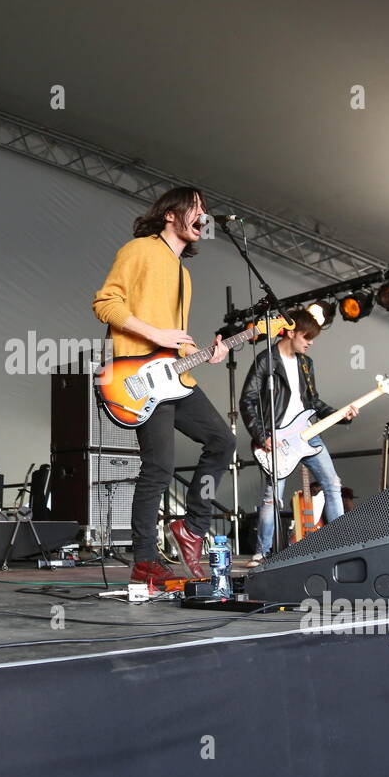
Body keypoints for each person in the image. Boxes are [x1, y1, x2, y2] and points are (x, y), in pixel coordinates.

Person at [93, 187, 235, 584]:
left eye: (206, 210)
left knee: (223, 441)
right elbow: (106, 303)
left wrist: (207, 351)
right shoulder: (139, 250)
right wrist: (154, 334)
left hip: (176, 377)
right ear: (171, 213)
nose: (202, 216)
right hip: (139, 378)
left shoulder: (184, 274)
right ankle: (144, 561)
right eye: (196, 208)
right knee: (158, 467)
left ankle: (192, 527)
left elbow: (177, 337)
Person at [239, 308, 357, 565]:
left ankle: (340, 544)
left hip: (308, 433)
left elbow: (313, 401)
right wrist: (262, 435)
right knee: (272, 498)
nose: (310, 342)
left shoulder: (306, 363)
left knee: (333, 484)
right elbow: (247, 401)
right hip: (277, 436)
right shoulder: (265, 360)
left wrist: (340, 415)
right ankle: (262, 552)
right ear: (290, 332)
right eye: (306, 336)